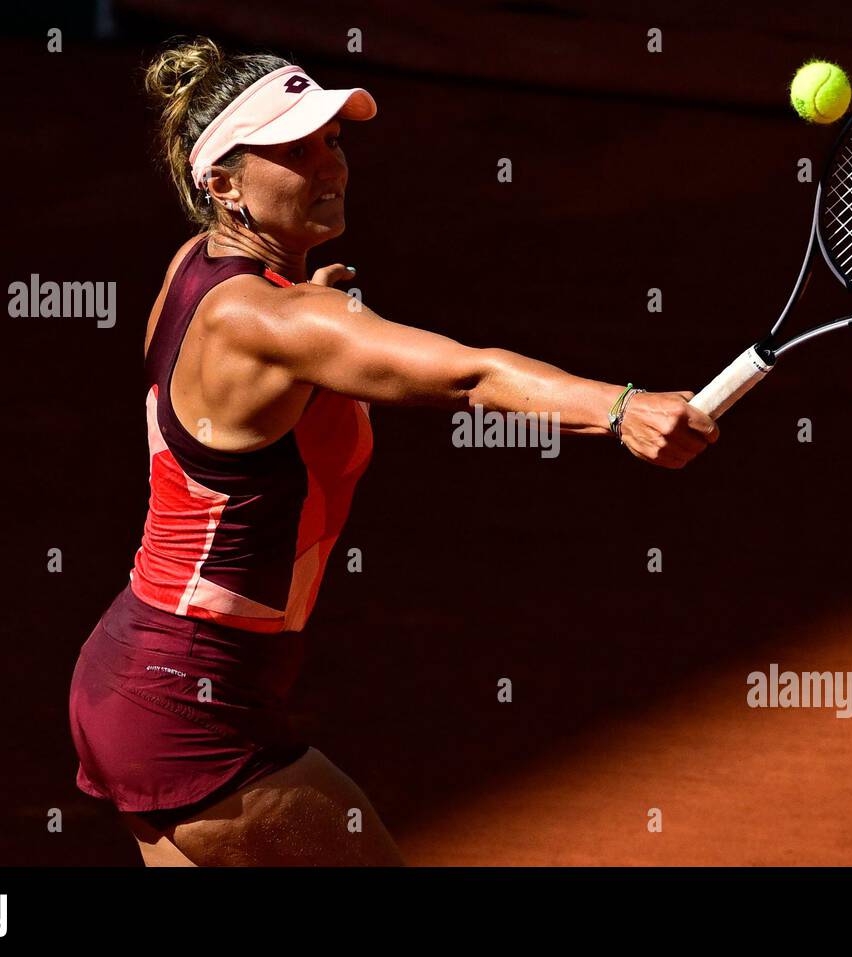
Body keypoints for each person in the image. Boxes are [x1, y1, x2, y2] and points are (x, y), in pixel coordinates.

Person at [67, 36, 718, 866]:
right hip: (189, 702)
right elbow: (470, 376)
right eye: (295, 152)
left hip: (130, 675)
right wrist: (621, 409)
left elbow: (259, 359)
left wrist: (308, 318)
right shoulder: (276, 323)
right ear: (222, 185)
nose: (330, 168)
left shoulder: (198, 268)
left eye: (332, 142)